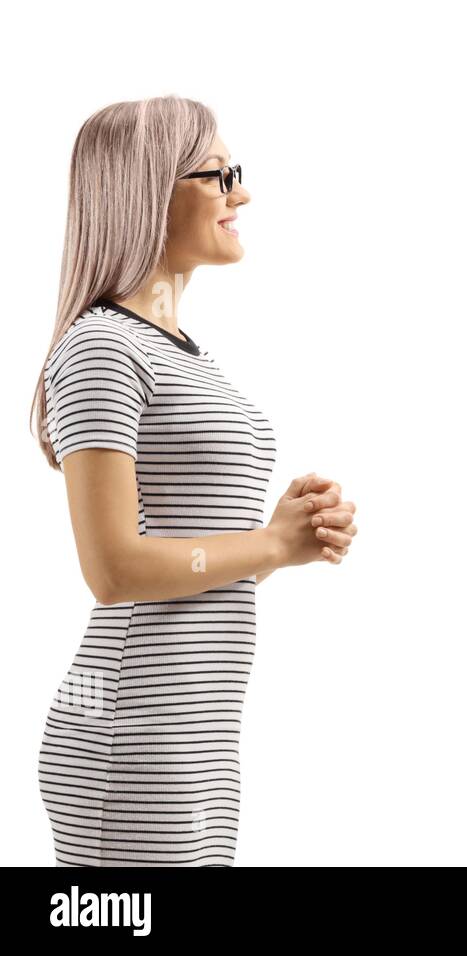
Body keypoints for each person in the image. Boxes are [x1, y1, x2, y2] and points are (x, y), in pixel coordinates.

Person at [30, 95, 359, 866]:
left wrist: (288, 540)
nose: (242, 194)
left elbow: (185, 567)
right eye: (219, 175)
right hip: (131, 733)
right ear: (149, 187)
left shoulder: (187, 355)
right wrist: (270, 545)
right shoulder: (103, 347)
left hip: (196, 735)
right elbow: (114, 571)